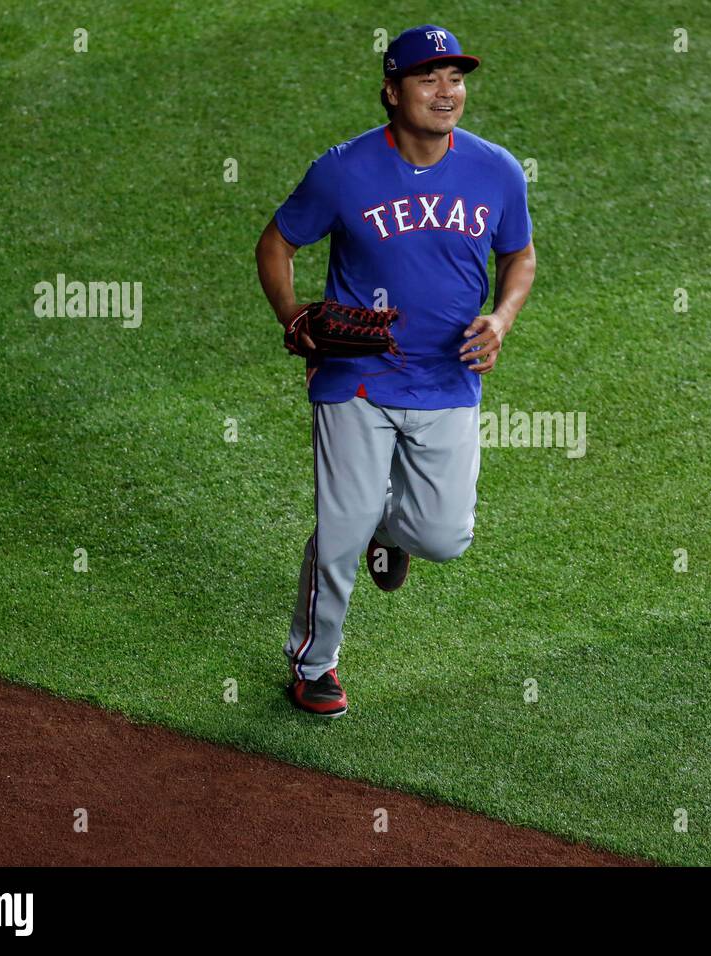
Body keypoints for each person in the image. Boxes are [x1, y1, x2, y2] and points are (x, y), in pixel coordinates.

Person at [255, 24, 537, 717]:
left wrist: (500, 320)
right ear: (392, 91)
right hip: (357, 375)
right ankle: (313, 664)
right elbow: (277, 243)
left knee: (445, 537)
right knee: (341, 524)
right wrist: (293, 317)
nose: (447, 92)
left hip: (448, 377)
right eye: (428, 78)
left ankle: (390, 531)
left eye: (456, 78)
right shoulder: (344, 170)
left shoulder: (495, 169)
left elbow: (519, 257)